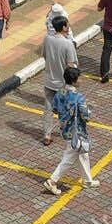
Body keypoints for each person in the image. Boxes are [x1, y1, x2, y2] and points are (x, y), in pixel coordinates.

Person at [42, 67, 98, 193]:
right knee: (68, 159)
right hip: (76, 132)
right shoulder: (78, 97)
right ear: (74, 81)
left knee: (83, 155)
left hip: (65, 129)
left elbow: (55, 109)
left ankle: (87, 181)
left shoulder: (59, 92)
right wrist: (89, 111)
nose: (81, 80)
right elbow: (85, 117)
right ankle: (52, 181)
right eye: (79, 78)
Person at [41, 14, 80, 145]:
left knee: (48, 108)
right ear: (63, 27)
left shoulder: (47, 39)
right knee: (64, 107)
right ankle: (64, 128)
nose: (69, 26)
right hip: (63, 83)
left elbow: (45, 55)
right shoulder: (68, 44)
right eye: (67, 24)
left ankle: (47, 134)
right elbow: (71, 65)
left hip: (48, 80)